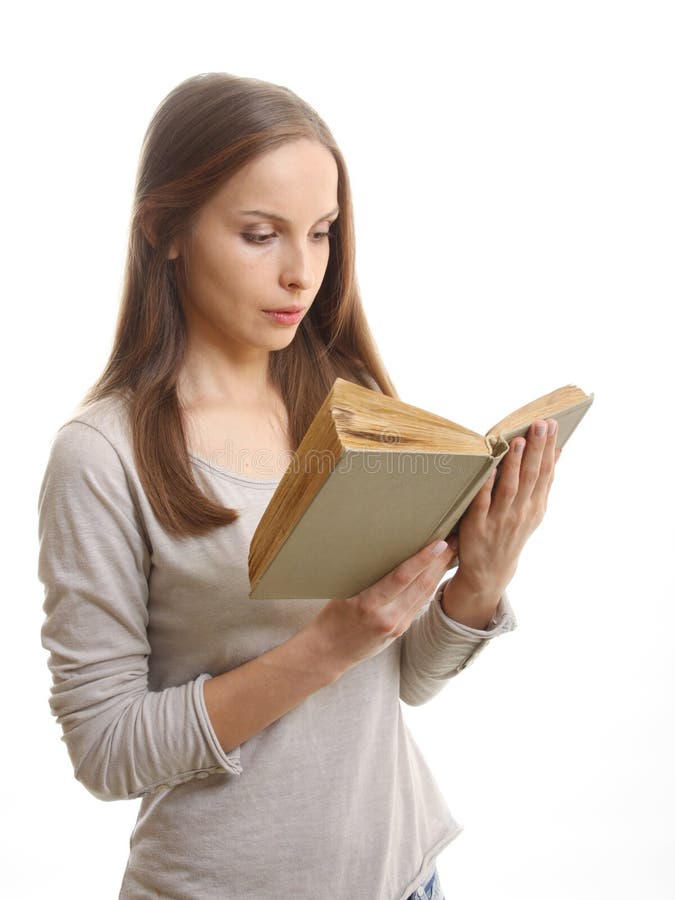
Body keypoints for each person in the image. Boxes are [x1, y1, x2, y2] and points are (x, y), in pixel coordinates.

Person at [37, 72, 560, 900]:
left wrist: (482, 581)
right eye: (259, 234)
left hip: (403, 877)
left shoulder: (348, 406)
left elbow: (404, 680)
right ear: (164, 232)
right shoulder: (101, 457)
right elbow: (104, 750)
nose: (300, 272)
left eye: (320, 234)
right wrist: (327, 646)